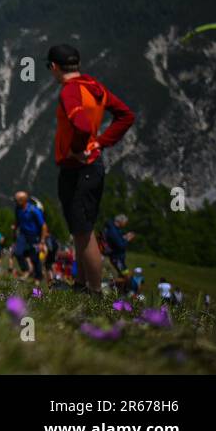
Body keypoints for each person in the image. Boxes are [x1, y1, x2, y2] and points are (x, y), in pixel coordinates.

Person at [48, 44, 136, 295]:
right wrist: (101, 143)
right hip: (93, 166)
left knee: (83, 232)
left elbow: (83, 126)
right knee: (82, 229)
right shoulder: (93, 87)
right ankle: (80, 285)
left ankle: (94, 292)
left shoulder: (70, 92)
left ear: (54, 67)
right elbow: (125, 115)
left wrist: (79, 147)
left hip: (78, 169)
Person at [12, 191, 48, 284]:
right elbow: (17, 221)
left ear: (23, 200)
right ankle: (27, 270)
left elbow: (43, 226)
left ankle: (38, 278)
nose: (15, 202)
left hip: (34, 236)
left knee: (35, 257)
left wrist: (42, 241)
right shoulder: (17, 209)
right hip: (23, 234)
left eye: (16, 200)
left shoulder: (34, 210)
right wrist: (14, 231)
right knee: (17, 252)